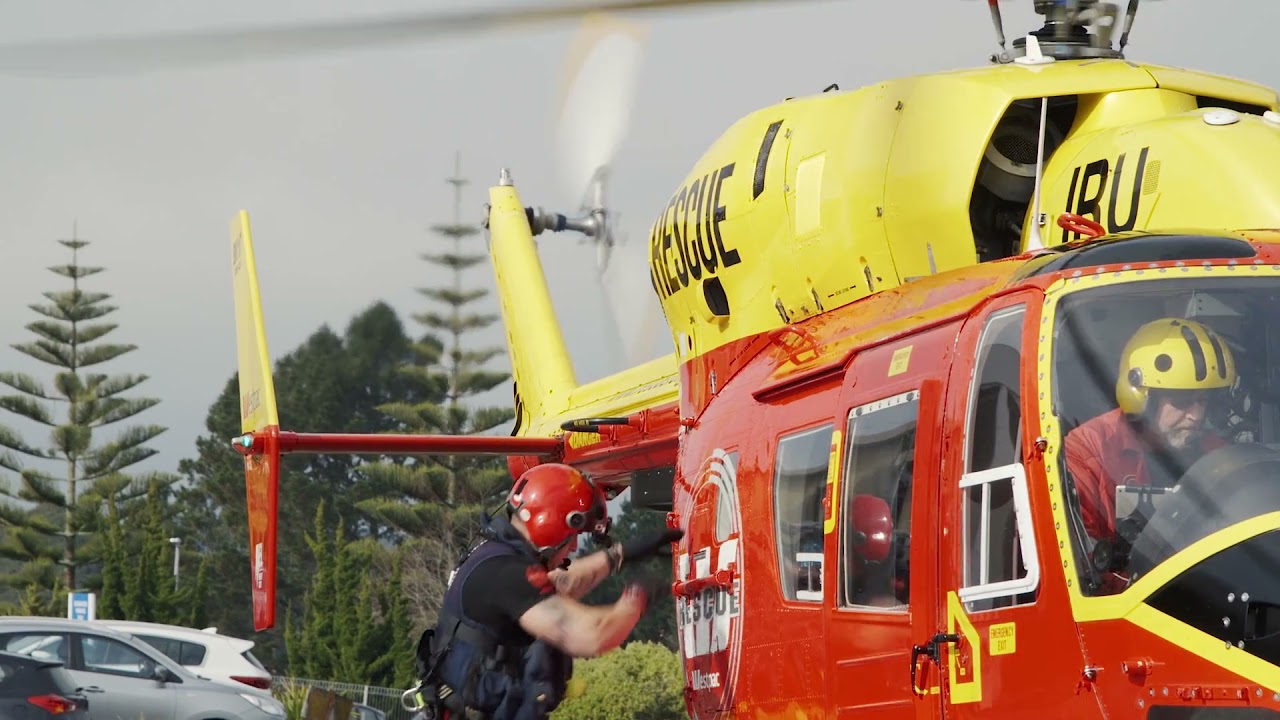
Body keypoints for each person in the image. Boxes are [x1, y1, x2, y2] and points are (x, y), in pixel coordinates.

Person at [410, 462, 684, 720]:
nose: (574, 547)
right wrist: (637, 598)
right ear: (553, 524)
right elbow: (593, 635)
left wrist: (620, 555)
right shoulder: (507, 574)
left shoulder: (493, 557)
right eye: (574, 536)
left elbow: (559, 583)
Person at [1064, 317, 1236, 569]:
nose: (1196, 416)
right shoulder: (1089, 451)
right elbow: (1079, 561)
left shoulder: (1215, 452)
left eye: (1204, 401)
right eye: (1183, 400)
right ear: (1143, 398)